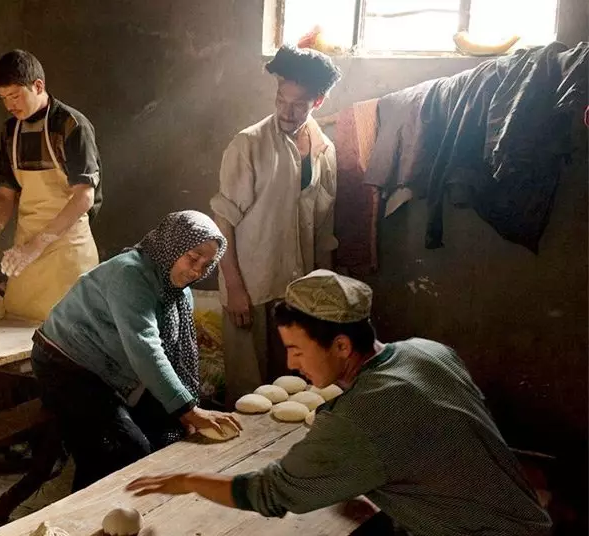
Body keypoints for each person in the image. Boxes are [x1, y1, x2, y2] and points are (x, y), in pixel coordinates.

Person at [127, 270, 552, 536]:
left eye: (296, 349)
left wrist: (188, 481)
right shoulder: (426, 351)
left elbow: (271, 493)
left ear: (342, 345)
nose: (291, 365)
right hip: (523, 516)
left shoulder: (360, 418)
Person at [32, 211, 242, 491]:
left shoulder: (178, 291)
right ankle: (86, 522)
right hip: (67, 364)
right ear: (174, 246)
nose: (196, 271)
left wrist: (187, 409)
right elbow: (146, 348)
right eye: (193, 258)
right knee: (122, 453)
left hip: (112, 368)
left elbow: (175, 354)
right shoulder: (130, 274)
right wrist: (189, 411)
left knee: (167, 431)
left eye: (206, 267)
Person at [211, 44, 342, 405]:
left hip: (297, 289)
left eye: (298, 104)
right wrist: (234, 286)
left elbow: (322, 226)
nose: (287, 111)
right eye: (281, 100)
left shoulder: (324, 150)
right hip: (251, 284)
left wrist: (320, 293)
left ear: (317, 102)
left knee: (293, 387)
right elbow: (223, 220)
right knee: (249, 389)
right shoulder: (248, 145)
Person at [0, 49, 101, 321]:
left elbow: (84, 197)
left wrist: (38, 245)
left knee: (67, 329)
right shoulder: (10, 131)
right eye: (3, 98)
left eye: (15, 96)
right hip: (25, 250)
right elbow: (5, 195)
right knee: (18, 323)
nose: (9, 105)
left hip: (68, 249)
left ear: (38, 86)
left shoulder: (71, 126)